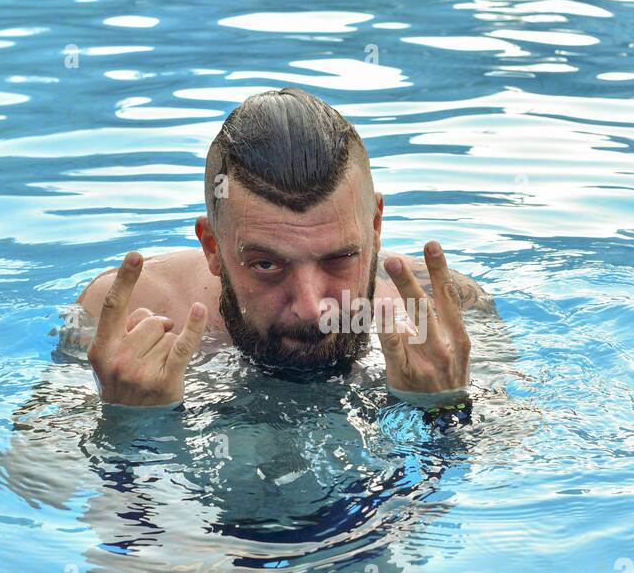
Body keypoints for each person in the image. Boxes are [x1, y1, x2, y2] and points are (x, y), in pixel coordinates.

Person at [75, 86, 493, 412]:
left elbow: (513, 464)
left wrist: (444, 407)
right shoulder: (123, 312)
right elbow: (39, 481)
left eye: (339, 258)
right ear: (213, 248)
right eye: (267, 264)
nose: (311, 308)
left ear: (376, 227)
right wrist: (129, 421)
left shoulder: (446, 312)